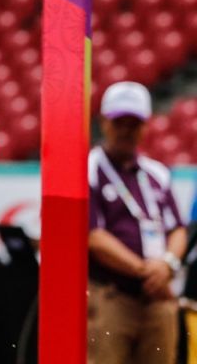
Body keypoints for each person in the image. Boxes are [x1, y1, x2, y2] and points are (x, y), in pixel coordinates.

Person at [88, 82, 186, 364]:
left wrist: (166, 263)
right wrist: (148, 271)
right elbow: (93, 236)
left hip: (158, 299)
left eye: (134, 123)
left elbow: (177, 229)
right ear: (104, 122)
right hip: (112, 296)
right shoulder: (90, 169)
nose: (127, 130)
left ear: (146, 126)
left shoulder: (157, 174)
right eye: (120, 122)